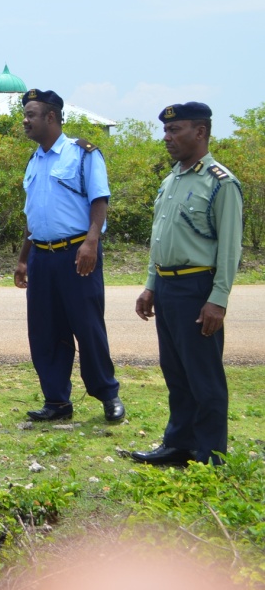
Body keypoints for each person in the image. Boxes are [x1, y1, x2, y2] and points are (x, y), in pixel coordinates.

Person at [132, 102, 243, 466]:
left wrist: (218, 299)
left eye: (175, 130)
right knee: (176, 373)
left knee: (204, 377)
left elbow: (230, 248)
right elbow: (161, 239)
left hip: (198, 288)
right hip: (166, 287)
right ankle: (179, 444)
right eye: (166, 130)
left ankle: (211, 455)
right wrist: (151, 285)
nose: (167, 137)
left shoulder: (220, 182)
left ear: (200, 132)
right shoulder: (171, 180)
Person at [14, 89, 125, 423]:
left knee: (87, 327)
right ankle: (57, 401)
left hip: (77, 254)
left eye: (31, 115)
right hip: (41, 256)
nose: (25, 121)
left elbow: (99, 200)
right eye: (24, 115)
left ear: (51, 117)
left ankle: (108, 395)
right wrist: (23, 259)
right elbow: (32, 215)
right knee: (45, 331)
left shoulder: (83, 154)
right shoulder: (34, 160)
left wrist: (91, 242)